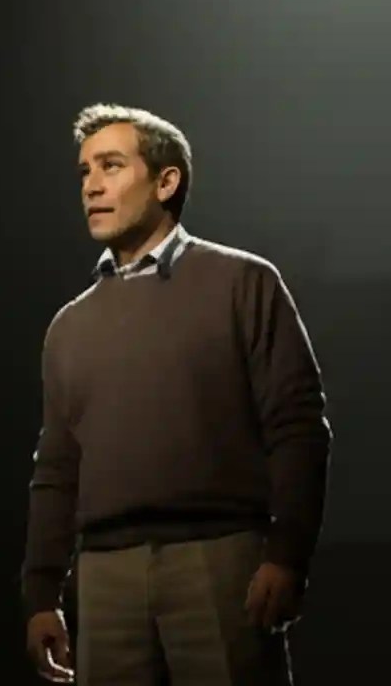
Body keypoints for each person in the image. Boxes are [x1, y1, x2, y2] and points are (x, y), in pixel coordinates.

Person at [21, 103, 332, 685]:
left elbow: (298, 427)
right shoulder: (69, 326)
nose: (91, 185)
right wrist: (42, 592)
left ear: (166, 181)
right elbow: (58, 467)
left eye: (110, 166)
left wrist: (287, 554)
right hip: (105, 575)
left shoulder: (243, 282)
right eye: (84, 171)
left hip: (219, 561)